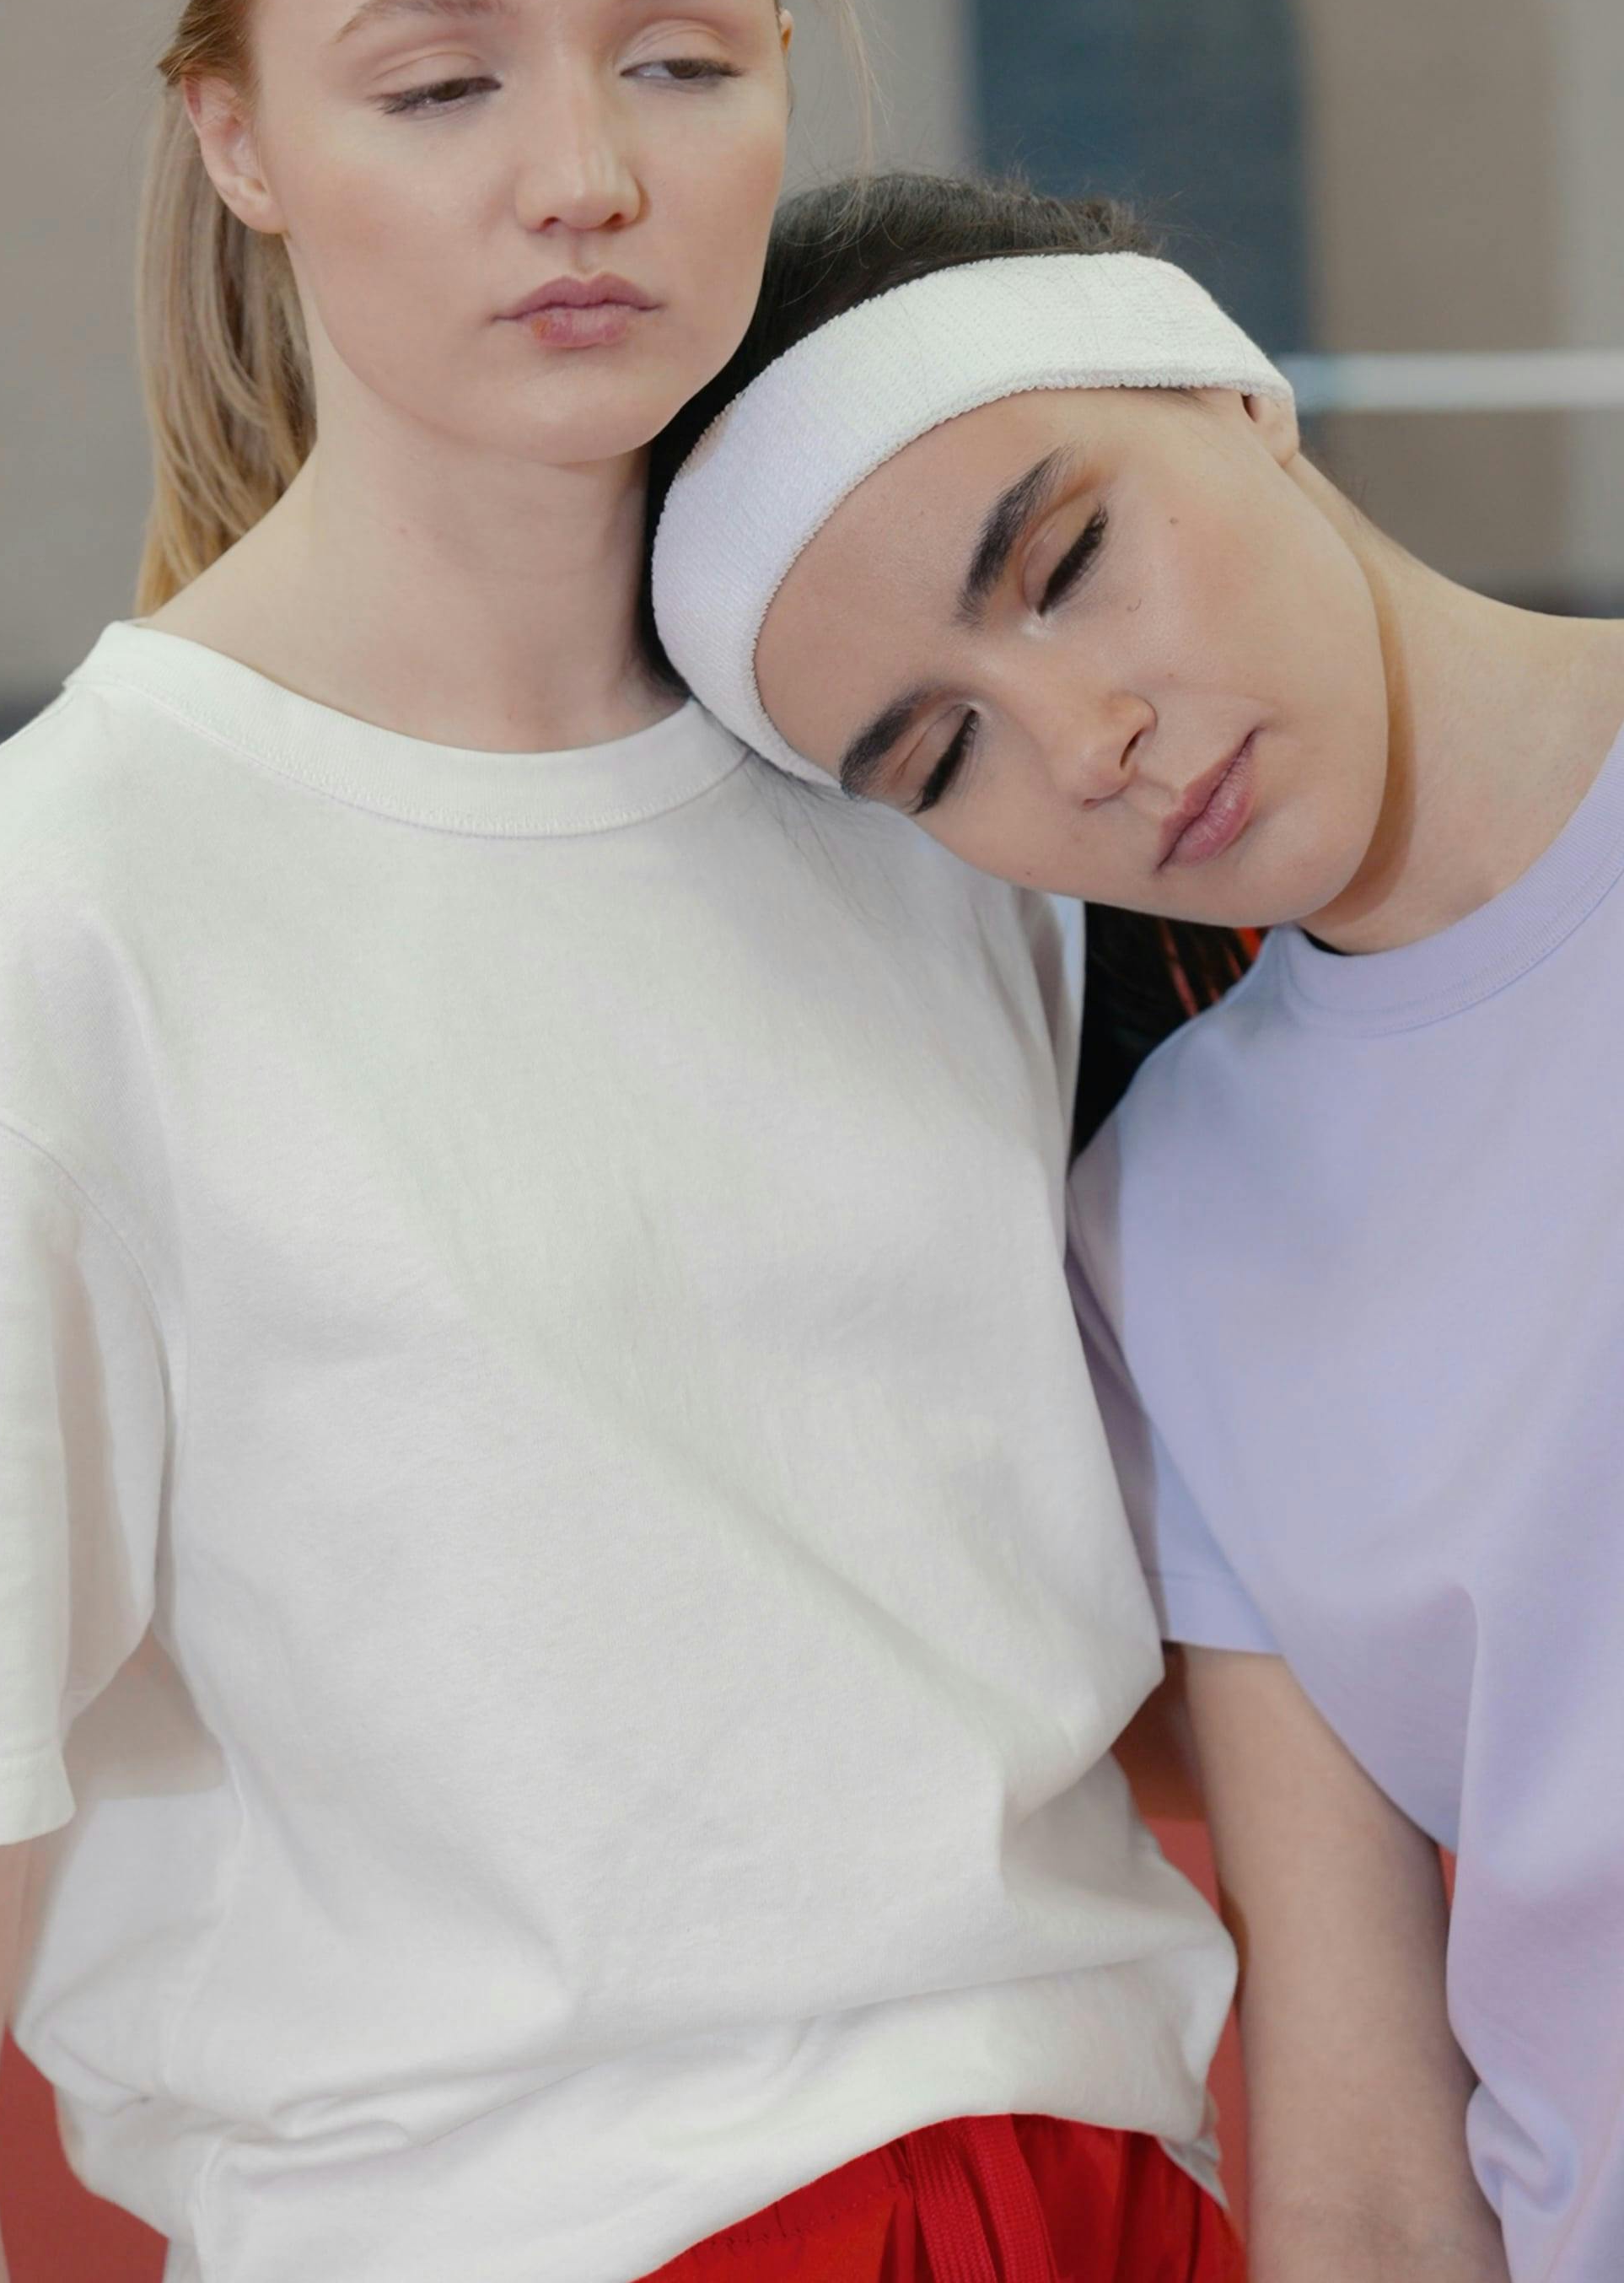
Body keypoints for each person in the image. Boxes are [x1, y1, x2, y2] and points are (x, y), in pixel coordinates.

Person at [0, 0, 1240, 2283]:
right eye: (441, 82)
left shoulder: (938, 799)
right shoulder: (63, 917)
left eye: (680, 64)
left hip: (1115, 2191)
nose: (580, 173)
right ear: (237, 139)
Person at [649, 164, 1624, 2283]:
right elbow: (1366, 2162)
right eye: (940, 755)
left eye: (1073, 560)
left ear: (1233, 396)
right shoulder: (1165, 1226)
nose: (1085, 744)